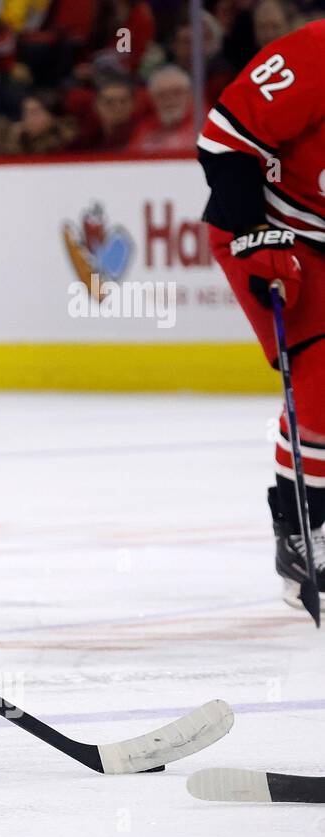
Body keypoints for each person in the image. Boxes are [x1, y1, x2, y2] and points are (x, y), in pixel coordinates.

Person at [198, 19, 325, 616]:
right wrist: (254, 233)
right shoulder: (315, 55)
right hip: (273, 232)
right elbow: (226, 139)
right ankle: (305, 537)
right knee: (322, 386)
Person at [128, 64, 195, 152]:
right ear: (152, 99)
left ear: (190, 95)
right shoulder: (144, 131)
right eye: (162, 95)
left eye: (177, 93)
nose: (170, 100)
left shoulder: (204, 127)